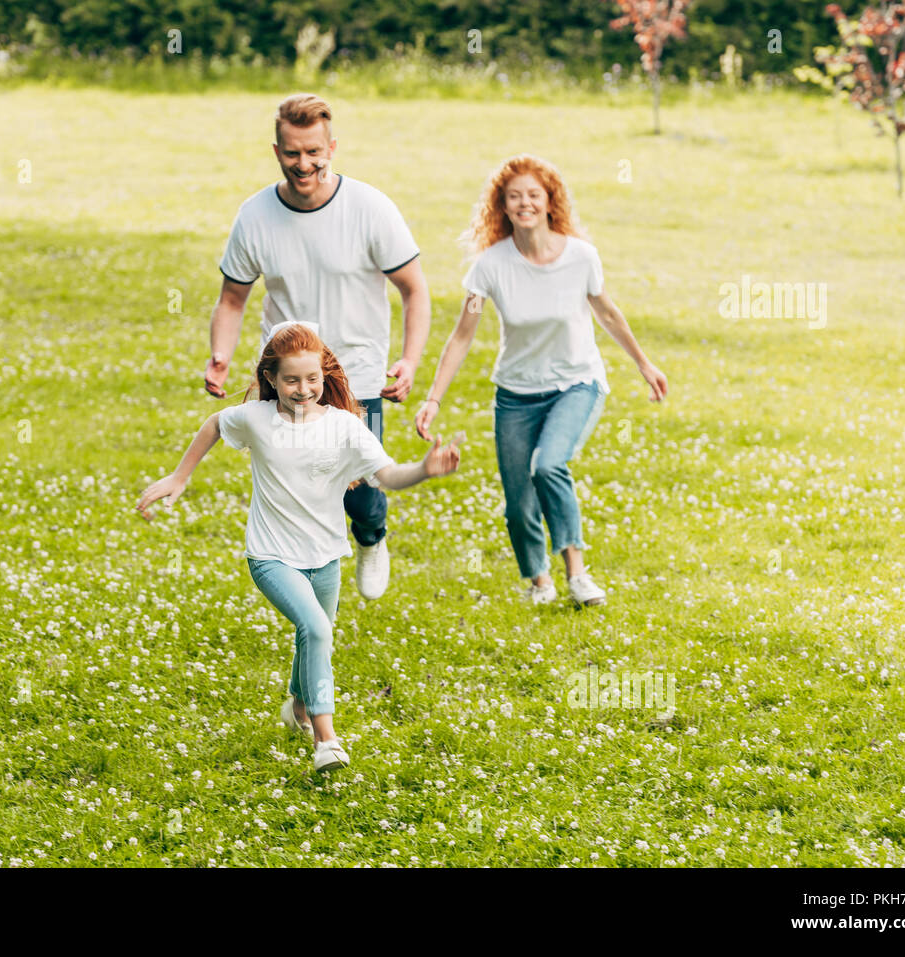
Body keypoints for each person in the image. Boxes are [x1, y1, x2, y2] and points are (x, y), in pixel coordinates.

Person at [139, 322, 460, 773]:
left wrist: (425, 470)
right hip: (271, 556)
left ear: (324, 375)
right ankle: (326, 740)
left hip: (326, 556)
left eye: (311, 379)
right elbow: (215, 422)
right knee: (318, 629)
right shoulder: (256, 419)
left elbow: (387, 477)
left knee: (314, 633)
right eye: (291, 379)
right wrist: (180, 475)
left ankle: (298, 707)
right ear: (271, 379)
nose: (303, 389)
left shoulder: (347, 427)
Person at [204, 92, 432, 602]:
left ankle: (371, 538)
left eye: (313, 152)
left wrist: (409, 360)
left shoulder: (370, 208)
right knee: (291, 478)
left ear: (332, 146)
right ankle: (296, 576)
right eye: (291, 153)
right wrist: (220, 355)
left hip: (356, 373)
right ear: (276, 150)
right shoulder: (255, 215)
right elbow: (233, 299)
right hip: (284, 376)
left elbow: (414, 289)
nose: (303, 164)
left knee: (363, 491)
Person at [415, 155, 667, 607]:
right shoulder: (490, 266)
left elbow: (607, 312)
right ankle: (539, 580)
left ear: (551, 202)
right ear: (503, 207)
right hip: (515, 393)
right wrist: (433, 398)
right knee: (518, 500)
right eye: (515, 197)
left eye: (534, 195)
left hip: (576, 382)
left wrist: (645, 365)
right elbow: (461, 335)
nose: (525, 203)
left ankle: (577, 573)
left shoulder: (580, 257)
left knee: (549, 465)